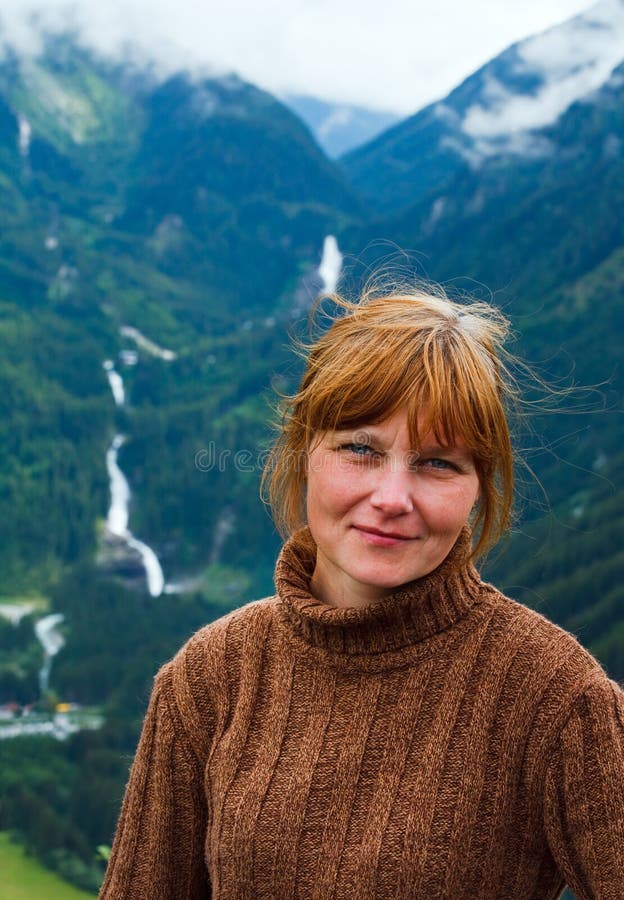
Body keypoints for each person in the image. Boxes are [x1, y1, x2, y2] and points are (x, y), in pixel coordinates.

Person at [100, 287, 624, 899]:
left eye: (438, 464)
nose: (392, 498)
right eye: (360, 449)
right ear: (304, 453)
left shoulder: (557, 700)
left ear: (478, 486)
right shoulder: (208, 680)